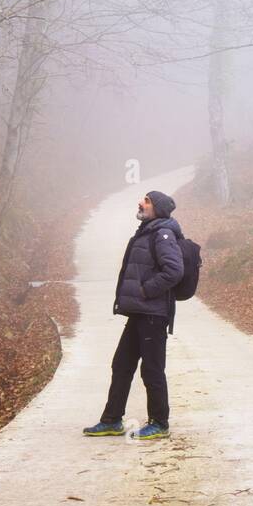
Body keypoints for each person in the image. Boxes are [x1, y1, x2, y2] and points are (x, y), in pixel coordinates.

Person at [83, 189, 184, 440]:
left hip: (153, 314)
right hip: (140, 312)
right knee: (122, 364)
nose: (140, 202)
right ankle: (112, 420)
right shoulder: (148, 231)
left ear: (157, 208)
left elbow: (174, 270)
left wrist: (145, 290)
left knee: (151, 369)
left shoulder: (163, 233)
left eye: (147, 201)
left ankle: (160, 423)